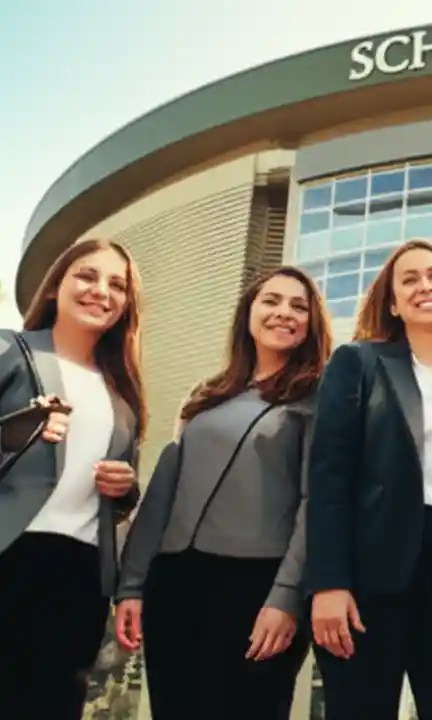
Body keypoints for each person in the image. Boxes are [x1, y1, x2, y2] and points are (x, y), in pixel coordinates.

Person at [306, 239, 432, 720]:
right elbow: (329, 477)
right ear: (394, 304)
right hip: (368, 574)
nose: (426, 286)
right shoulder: (358, 364)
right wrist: (329, 582)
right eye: (410, 280)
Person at [113, 266, 332, 719]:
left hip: (257, 587)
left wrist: (286, 597)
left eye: (298, 306)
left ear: (312, 324)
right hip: (175, 583)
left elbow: (318, 505)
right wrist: (131, 585)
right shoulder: (206, 395)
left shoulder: (318, 397)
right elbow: (162, 495)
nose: (283, 313)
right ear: (248, 313)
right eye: (270, 301)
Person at [0, 239, 146, 719]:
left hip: (80, 576)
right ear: (57, 284)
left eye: (117, 285)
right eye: (86, 275)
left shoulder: (121, 395)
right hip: (10, 551)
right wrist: (14, 433)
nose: (101, 291)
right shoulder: (10, 350)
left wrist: (126, 488)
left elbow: (119, 501)